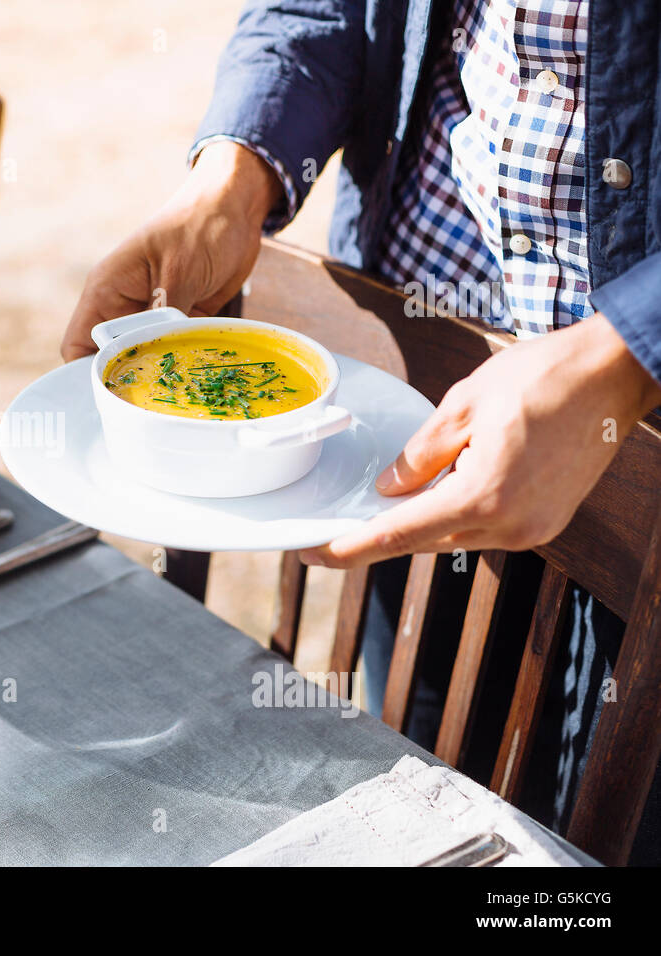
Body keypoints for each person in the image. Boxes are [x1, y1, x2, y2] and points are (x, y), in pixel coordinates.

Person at [60, 0, 661, 861]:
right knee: (421, 808)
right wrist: (235, 173)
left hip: (640, 452)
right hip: (405, 416)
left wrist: (627, 353)